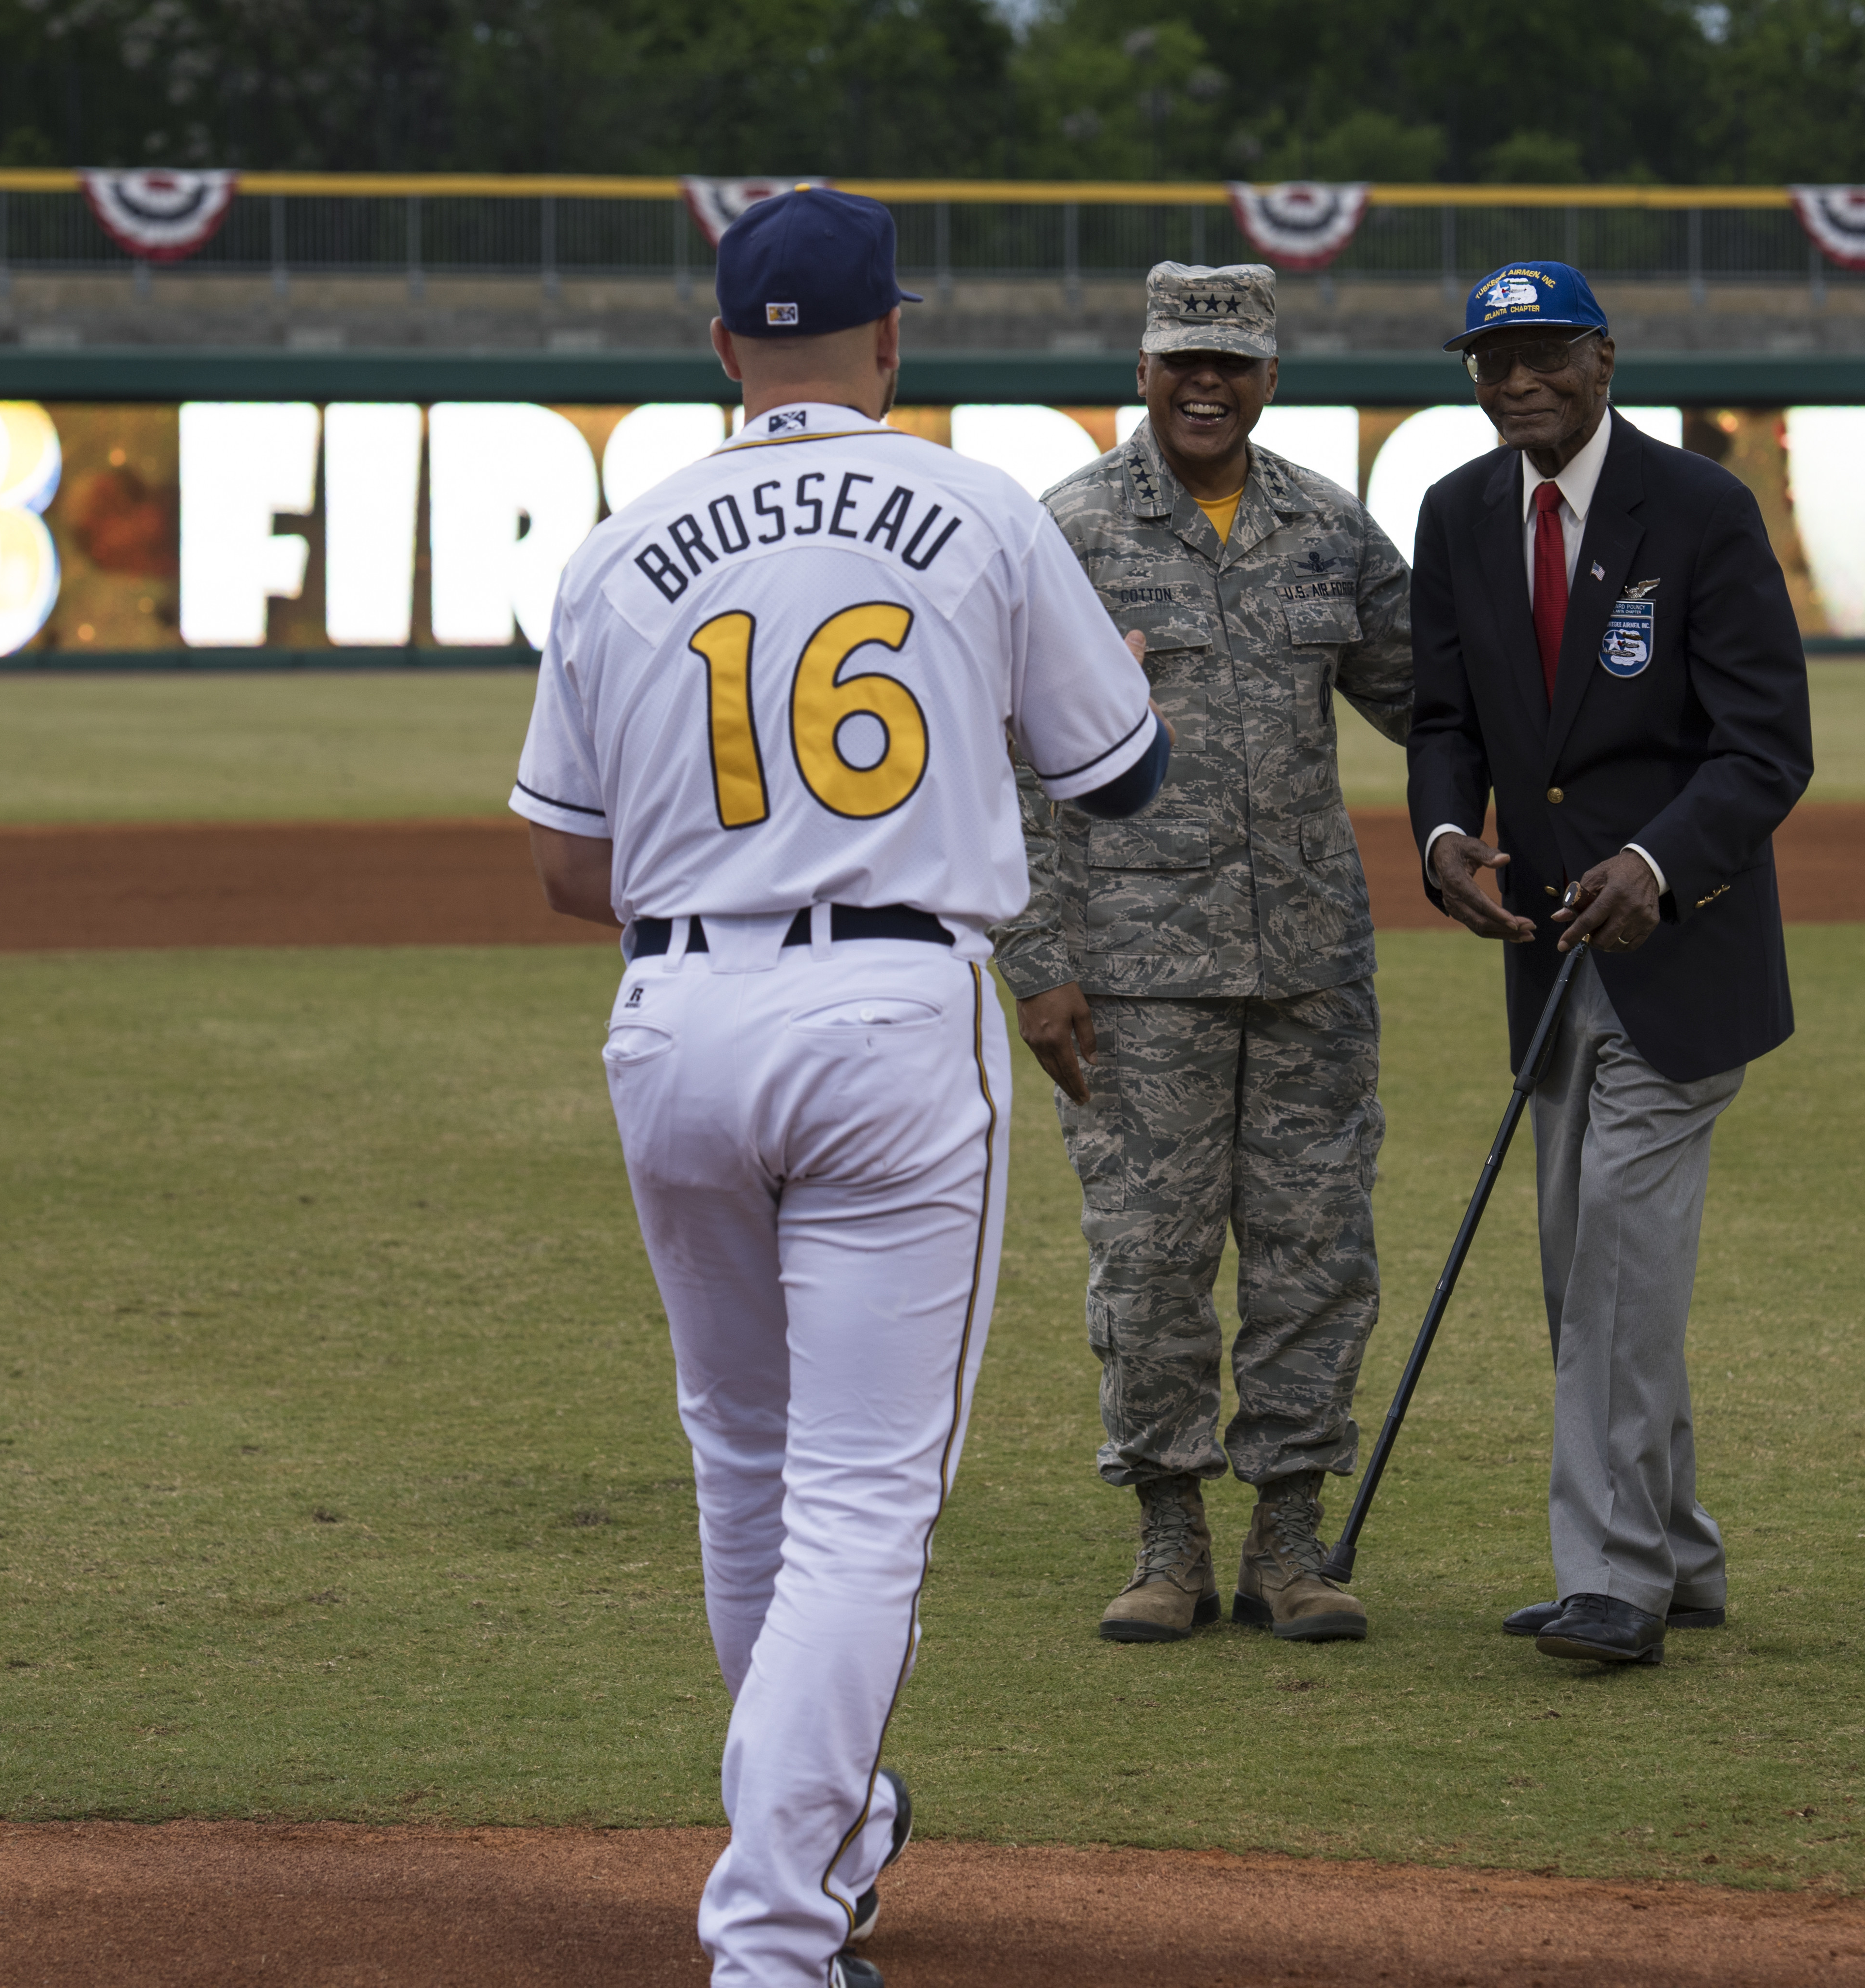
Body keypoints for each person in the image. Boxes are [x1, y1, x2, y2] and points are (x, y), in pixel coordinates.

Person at [511, 188, 1168, 1987]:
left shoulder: (619, 540)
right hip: (892, 1011)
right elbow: (1120, 773)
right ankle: (774, 1940)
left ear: (724, 350)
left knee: (744, 1469)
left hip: (672, 1015)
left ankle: (836, 1839)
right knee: (865, 1505)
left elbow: (567, 868)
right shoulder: (971, 505)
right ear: (894, 339)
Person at [996, 261, 1414, 1646]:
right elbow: (1016, 770)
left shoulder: (1331, 534)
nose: (1205, 384)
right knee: (1150, 1267)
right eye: (1184, 358)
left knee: (1314, 1257)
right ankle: (1167, 1537)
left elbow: (1435, 707)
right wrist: (1036, 965)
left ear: (1269, 377)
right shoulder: (1066, 537)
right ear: (1142, 368)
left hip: (1307, 970)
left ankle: (1290, 1540)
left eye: (1231, 363)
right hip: (1131, 977)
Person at [1405, 261, 1813, 1669]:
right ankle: (1681, 1550)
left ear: (1604, 359)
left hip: (1677, 953)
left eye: (1544, 354)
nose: (1516, 380)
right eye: (1491, 358)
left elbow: (1765, 747)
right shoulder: (1459, 512)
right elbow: (1443, 715)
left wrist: (1654, 864)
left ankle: (1615, 1579)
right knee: (1587, 1271)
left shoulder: (1698, 510)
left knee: (1616, 1274)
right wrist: (1449, 834)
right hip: (1542, 955)